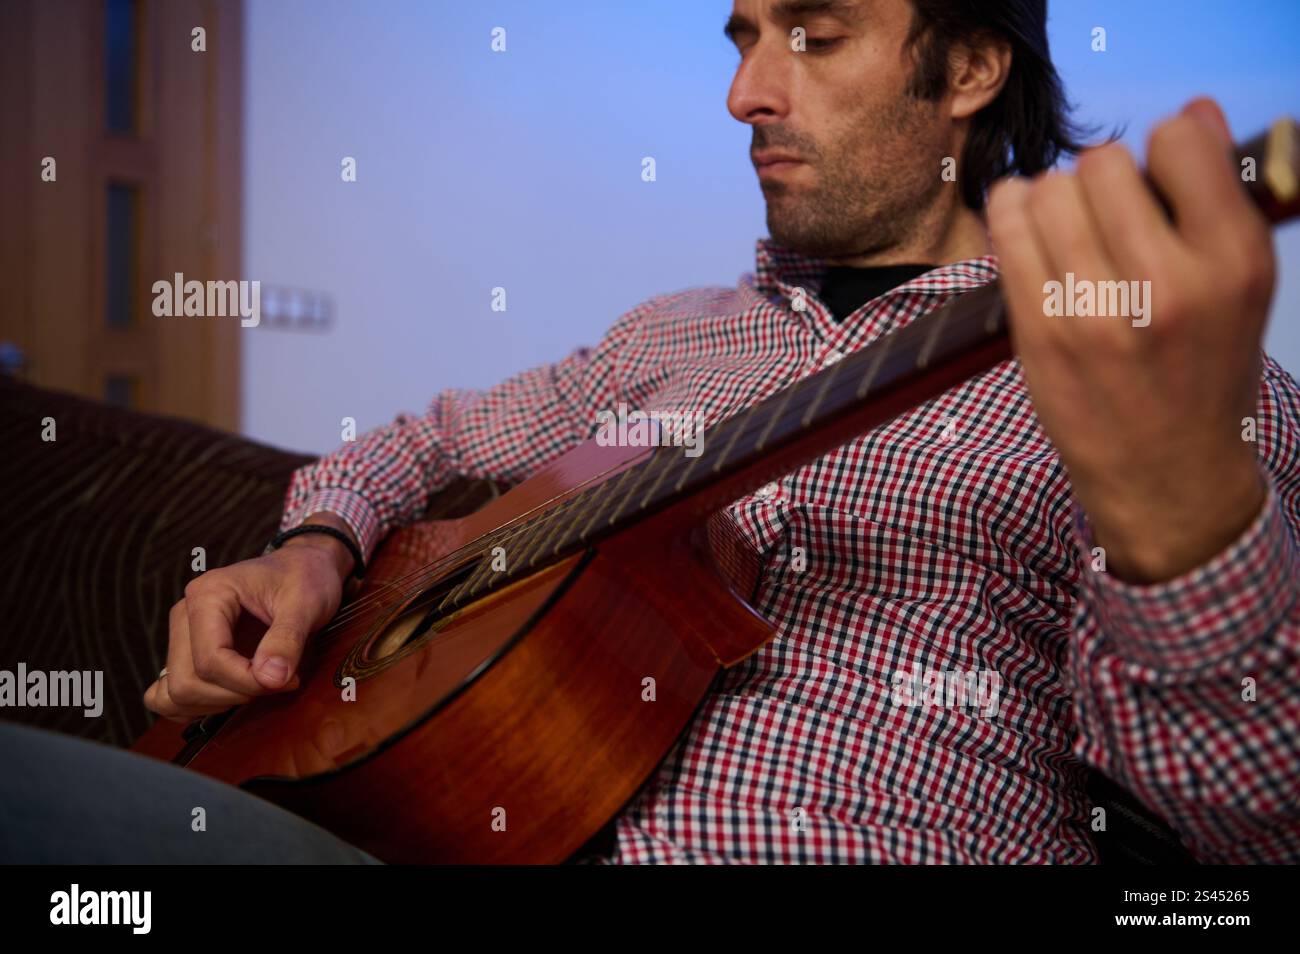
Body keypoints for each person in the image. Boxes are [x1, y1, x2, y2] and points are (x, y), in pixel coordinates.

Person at [71, 0, 1300, 863]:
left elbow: (1254, 827)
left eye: (813, 34)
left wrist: (1179, 510)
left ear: (971, 68)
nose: (743, 93)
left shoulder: (1178, 375)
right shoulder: (667, 334)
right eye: (745, 38)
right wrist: (320, 545)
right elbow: (421, 441)